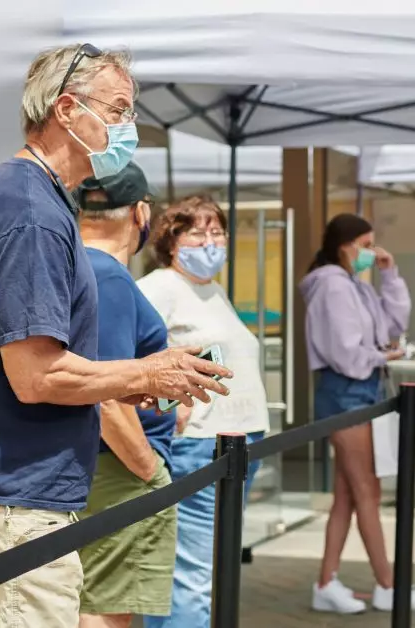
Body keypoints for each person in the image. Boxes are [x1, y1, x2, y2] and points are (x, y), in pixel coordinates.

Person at [0, 44, 231, 628]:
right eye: (118, 109)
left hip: (11, 486)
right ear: (66, 109)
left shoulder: (30, 199)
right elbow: (38, 376)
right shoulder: (30, 209)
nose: (128, 126)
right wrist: (146, 372)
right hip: (16, 491)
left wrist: (127, 382)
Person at [137, 195, 270, 628]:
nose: (210, 241)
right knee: (192, 572)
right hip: (200, 445)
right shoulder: (159, 287)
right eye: (197, 232)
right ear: (171, 240)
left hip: (239, 441)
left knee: (209, 564)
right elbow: (135, 356)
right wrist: (166, 410)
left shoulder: (211, 289)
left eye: (217, 232)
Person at [300, 214, 415, 614]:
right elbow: (346, 352)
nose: (374, 253)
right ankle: (388, 585)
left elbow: (395, 323)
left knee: (347, 495)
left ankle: (326, 582)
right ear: (346, 245)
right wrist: (381, 355)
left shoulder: (355, 284)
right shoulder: (333, 287)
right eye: (368, 245)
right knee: (367, 492)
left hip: (360, 389)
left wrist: (390, 276)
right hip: (347, 392)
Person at [72, 163, 178, 627]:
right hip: (118, 471)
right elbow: (106, 392)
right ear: (140, 212)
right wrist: (149, 470)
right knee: (103, 610)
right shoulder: (109, 277)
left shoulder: (74, 266)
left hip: (91, 465)